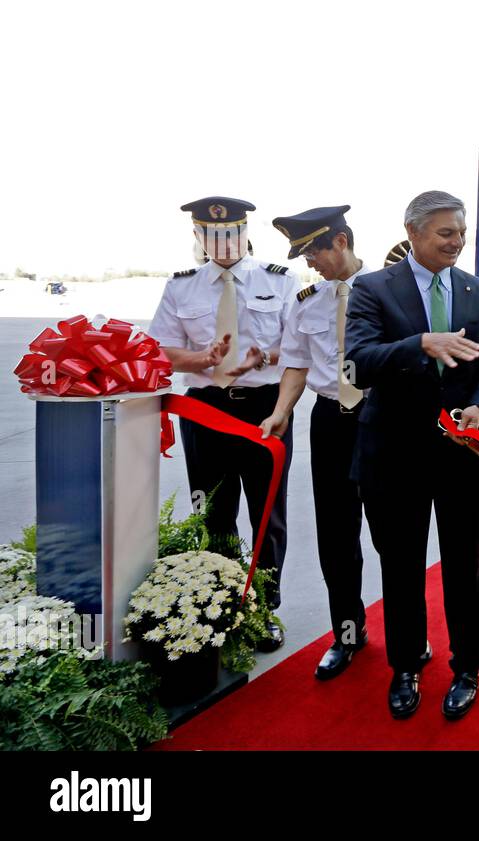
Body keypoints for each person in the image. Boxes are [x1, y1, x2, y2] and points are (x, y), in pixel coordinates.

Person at [345, 190, 479, 721]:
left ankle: (466, 666)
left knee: (466, 564)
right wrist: (421, 344)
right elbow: (359, 364)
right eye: (445, 233)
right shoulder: (372, 289)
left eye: (461, 232)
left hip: (460, 454)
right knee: (402, 565)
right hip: (393, 454)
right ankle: (407, 664)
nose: (457, 242)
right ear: (412, 232)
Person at [150, 196, 296, 652]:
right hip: (206, 409)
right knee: (214, 512)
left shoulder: (281, 280)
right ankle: (222, 604)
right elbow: (162, 350)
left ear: (245, 231)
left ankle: (263, 608)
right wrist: (203, 357)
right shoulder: (182, 288)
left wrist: (263, 358)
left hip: (264, 408)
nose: (223, 243)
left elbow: (299, 348)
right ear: (198, 237)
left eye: (231, 233)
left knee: (267, 513)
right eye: (212, 235)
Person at [259, 206, 371, 680]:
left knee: (395, 536)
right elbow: (297, 364)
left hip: (380, 419)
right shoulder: (306, 300)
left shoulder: (388, 292)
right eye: (304, 255)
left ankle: (410, 633)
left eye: (315, 252)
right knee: (336, 536)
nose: (311, 264)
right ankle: (347, 633)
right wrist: (281, 411)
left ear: (340, 242)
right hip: (330, 421)